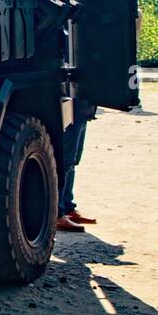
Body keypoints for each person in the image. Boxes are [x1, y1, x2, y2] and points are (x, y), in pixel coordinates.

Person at [57, 98, 97, 232]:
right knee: (65, 162)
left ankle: (68, 207)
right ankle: (58, 213)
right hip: (71, 108)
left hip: (83, 109)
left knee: (73, 161)